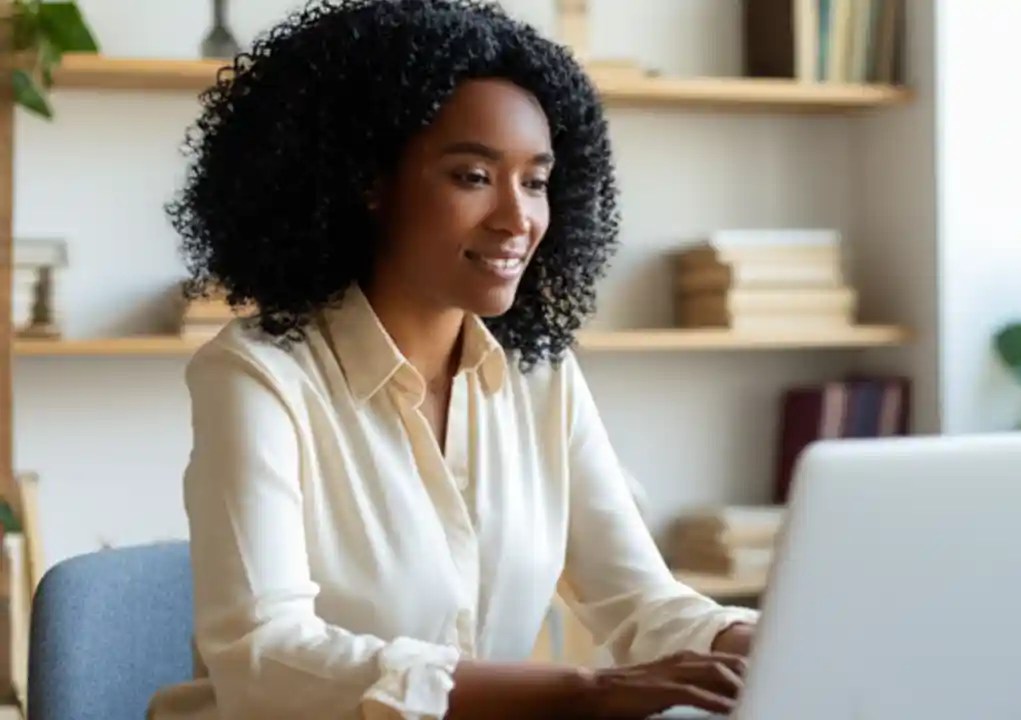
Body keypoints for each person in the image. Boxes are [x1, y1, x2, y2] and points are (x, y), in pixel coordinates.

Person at [146, 1, 759, 719]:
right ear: (370, 182)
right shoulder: (258, 376)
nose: (517, 218)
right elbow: (265, 655)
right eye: (473, 176)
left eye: (535, 181)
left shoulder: (539, 374)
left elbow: (641, 604)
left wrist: (764, 640)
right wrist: (583, 690)